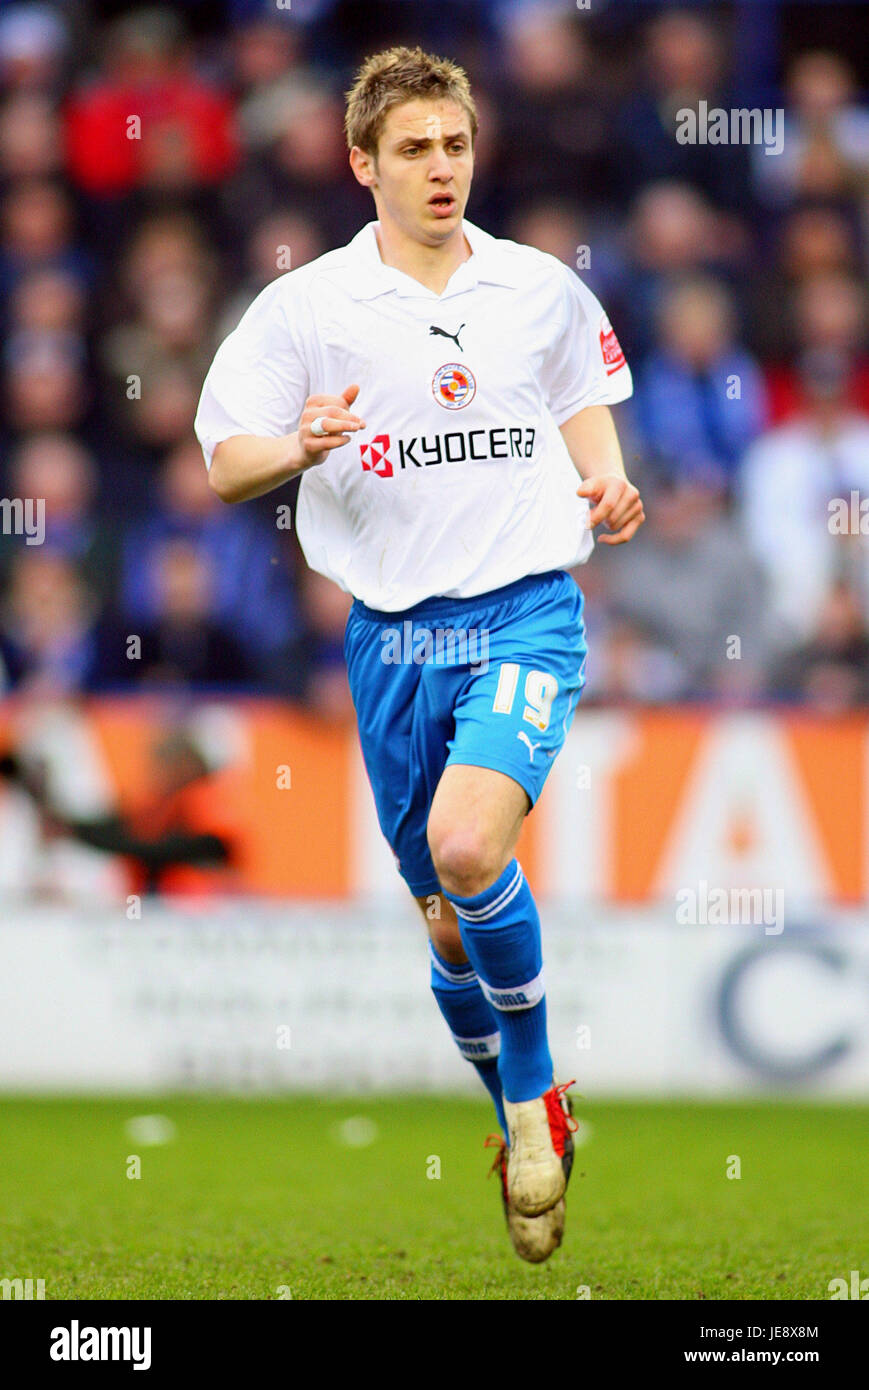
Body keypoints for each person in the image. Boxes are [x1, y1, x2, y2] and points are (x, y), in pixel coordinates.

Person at [194, 46, 644, 1264]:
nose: (440, 167)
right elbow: (222, 461)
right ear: (361, 164)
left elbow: (579, 393)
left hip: (521, 611)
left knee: (465, 840)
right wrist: (297, 445)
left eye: (454, 144)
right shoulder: (305, 309)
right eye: (412, 149)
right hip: (393, 639)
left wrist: (602, 477)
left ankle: (533, 1095)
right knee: (446, 923)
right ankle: (508, 1092)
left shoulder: (538, 285)